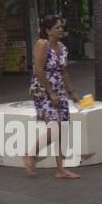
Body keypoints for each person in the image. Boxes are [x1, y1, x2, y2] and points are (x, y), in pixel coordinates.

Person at [24, 15, 80, 179]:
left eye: (62, 27)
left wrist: (73, 92)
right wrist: (51, 92)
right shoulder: (42, 45)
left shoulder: (62, 47)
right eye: (57, 27)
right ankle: (30, 154)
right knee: (54, 128)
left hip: (59, 90)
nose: (61, 29)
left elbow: (64, 72)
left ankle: (61, 169)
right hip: (43, 91)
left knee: (63, 128)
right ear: (48, 30)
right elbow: (39, 71)